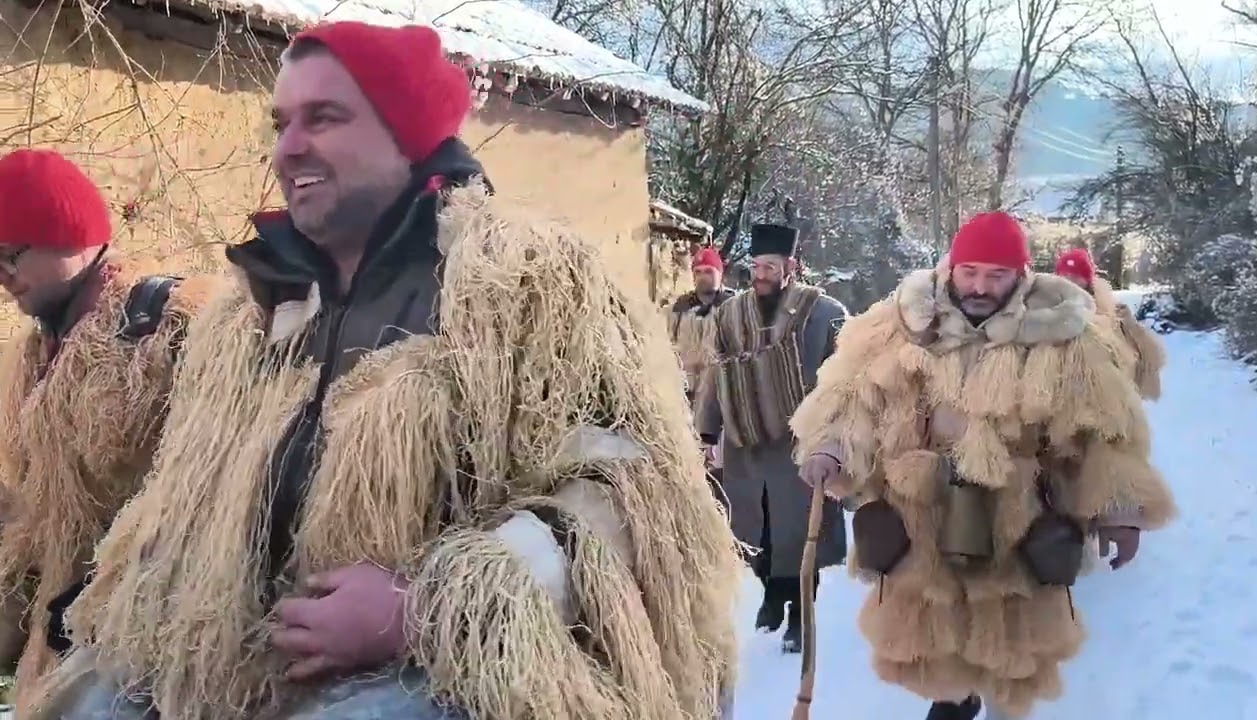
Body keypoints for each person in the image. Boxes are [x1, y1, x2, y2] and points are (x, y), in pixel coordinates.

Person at [34, 21, 738, 720]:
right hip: (244, 685)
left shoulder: (523, 282)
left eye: (324, 118)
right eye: (281, 123)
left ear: (405, 132)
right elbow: (182, 507)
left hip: (459, 675)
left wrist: (424, 607)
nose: (288, 147)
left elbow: (627, 490)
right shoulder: (249, 314)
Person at [792, 211, 1176, 719]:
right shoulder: (901, 324)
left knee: (1010, 654)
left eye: (996, 275)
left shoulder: (1065, 335)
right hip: (922, 517)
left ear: (1021, 274)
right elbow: (850, 396)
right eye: (970, 271)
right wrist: (830, 448)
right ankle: (952, 703)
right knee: (939, 642)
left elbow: (1107, 431)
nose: (979, 286)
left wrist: (1120, 509)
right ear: (952, 266)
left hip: (1019, 522)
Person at [0, 148, 213, 713]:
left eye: (9, 254)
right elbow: (32, 547)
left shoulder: (172, 327)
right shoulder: (30, 364)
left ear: (67, 232)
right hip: (57, 672)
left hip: (157, 665)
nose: (2, 276)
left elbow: (222, 509)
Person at [695, 222, 848, 654]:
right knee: (755, 532)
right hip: (745, 442)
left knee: (800, 535)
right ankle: (772, 595)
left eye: (771, 267)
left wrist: (838, 439)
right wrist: (707, 430)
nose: (761, 275)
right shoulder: (729, 315)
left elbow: (846, 381)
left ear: (791, 267)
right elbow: (715, 373)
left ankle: (800, 615)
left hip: (800, 444)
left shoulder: (825, 313)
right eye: (757, 266)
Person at [1055, 247, 1166, 400]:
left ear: (1087, 280)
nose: (1070, 282)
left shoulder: (1112, 312)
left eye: (1075, 276)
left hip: (1108, 399)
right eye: (1064, 276)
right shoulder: (1047, 311)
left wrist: (1131, 326)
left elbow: (1149, 357)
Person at [667, 246, 734, 403]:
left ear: (720, 274)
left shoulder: (734, 309)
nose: (702, 277)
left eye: (709, 271)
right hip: (683, 395)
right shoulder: (678, 308)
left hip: (720, 397)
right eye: (698, 272)